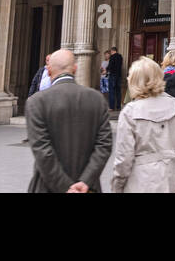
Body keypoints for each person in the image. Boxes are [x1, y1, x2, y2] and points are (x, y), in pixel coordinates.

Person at [25, 48, 112, 193]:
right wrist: (85, 181)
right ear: (75, 69)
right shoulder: (97, 99)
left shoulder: (36, 102)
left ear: (48, 70)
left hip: (48, 187)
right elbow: (104, 145)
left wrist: (66, 187)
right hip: (87, 188)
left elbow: (42, 150)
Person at [110, 57, 175, 193]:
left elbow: (124, 158)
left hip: (140, 182)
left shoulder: (130, 112)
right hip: (170, 180)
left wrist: (117, 186)